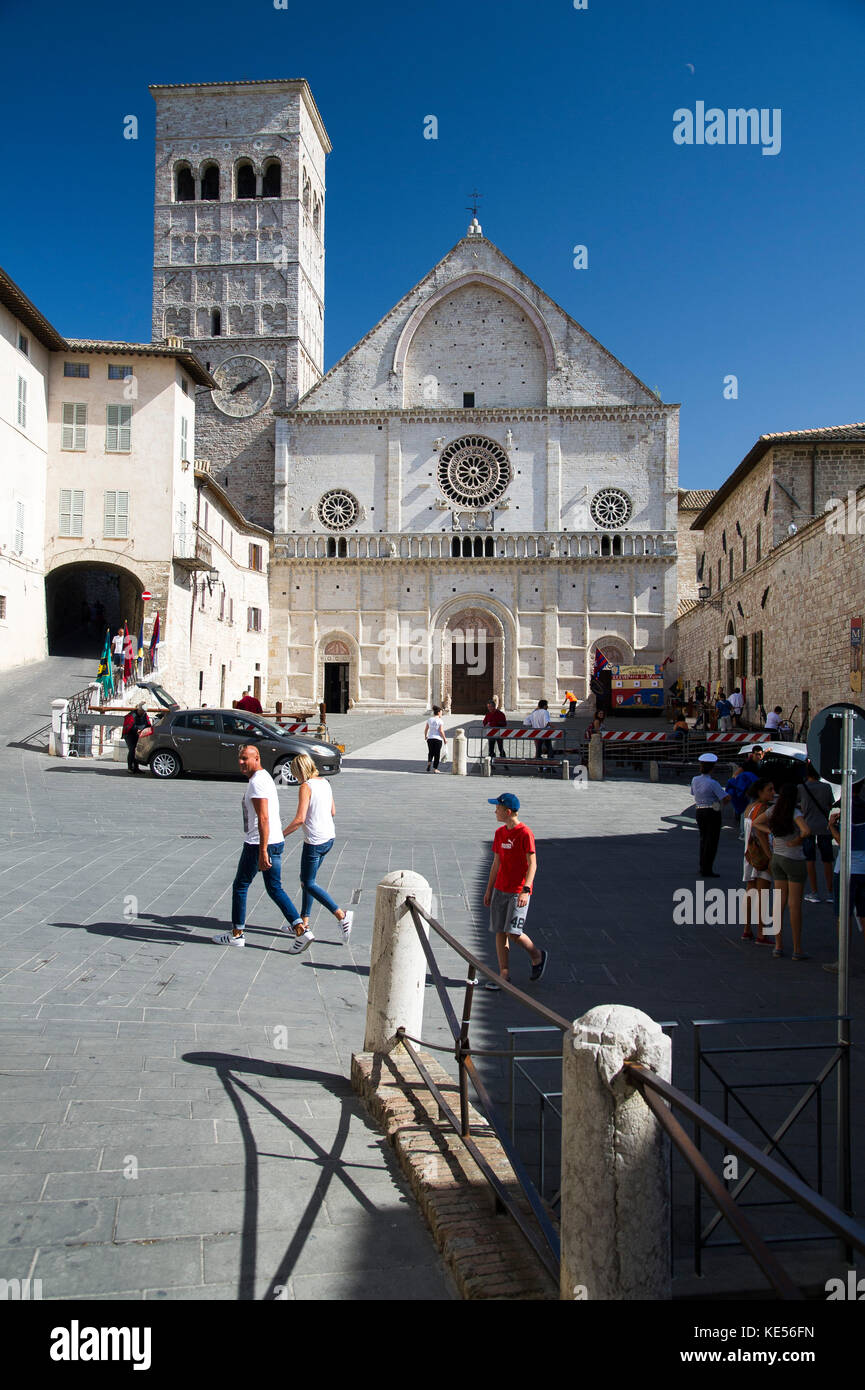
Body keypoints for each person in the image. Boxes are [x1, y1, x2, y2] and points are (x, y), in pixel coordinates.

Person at [212, 744, 305, 947]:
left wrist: (262, 851)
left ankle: (237, 934)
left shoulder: (257, 783)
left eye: (246, 758)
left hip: (259, 843)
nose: (241, 762)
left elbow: (263, 818)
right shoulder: (263, 778)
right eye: (240, 758)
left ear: (257, 758)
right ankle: (300, 929)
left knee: (240, 886)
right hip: (274, 840)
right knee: (274, 888)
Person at [280, 752, 353, 953]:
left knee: (308, 883)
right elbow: (332, 811)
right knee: (308, 882)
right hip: (329, 837)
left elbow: (300, 818)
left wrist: (280, 835)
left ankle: (341, 914)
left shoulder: (306, 786)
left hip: (314, 841)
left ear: (298, 771)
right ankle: (304, 922)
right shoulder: (325, 783)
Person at [482, 793, 547, 989]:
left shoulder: (525, 833)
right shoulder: (499, 833)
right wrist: (488, 889)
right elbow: (496, 863)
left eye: (498, 808)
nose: (495, 811)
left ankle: (537, 955)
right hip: (500, 889)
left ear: (507, 811)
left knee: (514, 932)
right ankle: (504, 974)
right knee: (500, 931)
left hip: (518, 891)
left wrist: (526, 890)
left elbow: (532, 864)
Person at [752, 781, 811, 959]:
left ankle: (778, 945)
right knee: (794, 905)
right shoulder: (795, 812)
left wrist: (771, 832)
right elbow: (806, 831)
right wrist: (797, 840)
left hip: (777, 858)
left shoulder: (773, 810)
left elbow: (756, 823)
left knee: (778, 903)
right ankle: (797, 948)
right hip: (794, 859)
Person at [824, 784, 865, 974]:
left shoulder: (846, 811)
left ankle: (843, 961)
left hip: (846, 869)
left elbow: (842, 842)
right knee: (863, 915)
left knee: (844, 916)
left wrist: (832, 826)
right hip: (864, 870)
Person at [741, 777, 776, 944]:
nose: (773, 792)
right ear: (760, 792)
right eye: (770, 789)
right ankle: (761, 933)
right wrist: (770, 856)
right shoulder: (762, 808)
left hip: (749, 855)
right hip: (761, 855)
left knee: (750, 891)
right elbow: (760, 833)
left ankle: (747, 929)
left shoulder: (749, 807)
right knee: (762, 894)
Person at [797, 764, 836, 903]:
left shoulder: (801, 788)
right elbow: (830, 805)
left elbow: (798, 804)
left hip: (807, 826)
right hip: (824, 827)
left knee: (810, 859)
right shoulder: (826, 787)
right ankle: (830, 892)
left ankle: (814, 892)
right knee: (827, 860)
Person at [691, 753, 730, 877]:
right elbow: (726, 797)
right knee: (712, 841)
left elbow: (693, 793)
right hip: (712, 811)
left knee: (703, 839)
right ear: (713, 767)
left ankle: (702, 866)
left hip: (699, 810)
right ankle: (707, 868)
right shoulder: (713, 783)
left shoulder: (695, 779)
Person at [725, 759, 759, 837]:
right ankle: (744, 833)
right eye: (757, 754)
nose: (759, 756)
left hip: (748, 790)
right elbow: (735, 775)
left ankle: (744, 833)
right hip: (749, 790)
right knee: (747, 811)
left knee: (746, 811)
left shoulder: (753, 765)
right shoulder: (748, 765)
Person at [121, 704, 151, 775]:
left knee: (137, 751)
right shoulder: (131, 715)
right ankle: (130, 767)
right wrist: (137, 730)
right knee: (132, 749)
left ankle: (136, 768)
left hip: (139, 735)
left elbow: (148, 724)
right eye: (142, 711)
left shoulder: (144, 715)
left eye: (144, 712)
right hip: (129, 735)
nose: (143, 713)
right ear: (139, 710)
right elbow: (129, 726)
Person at [424, 705, 447, 772]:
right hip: (438, 739)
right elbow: (441, 731)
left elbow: (426, 729)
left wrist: (425, 736)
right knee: (437, 754)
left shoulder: (429, 719)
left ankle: (429, 764)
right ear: (439, 712)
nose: (442, 714)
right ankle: (435, 768)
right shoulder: (440, 721)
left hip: (430, 738)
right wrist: (445, 739)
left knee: (431, 752)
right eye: (441, 712)